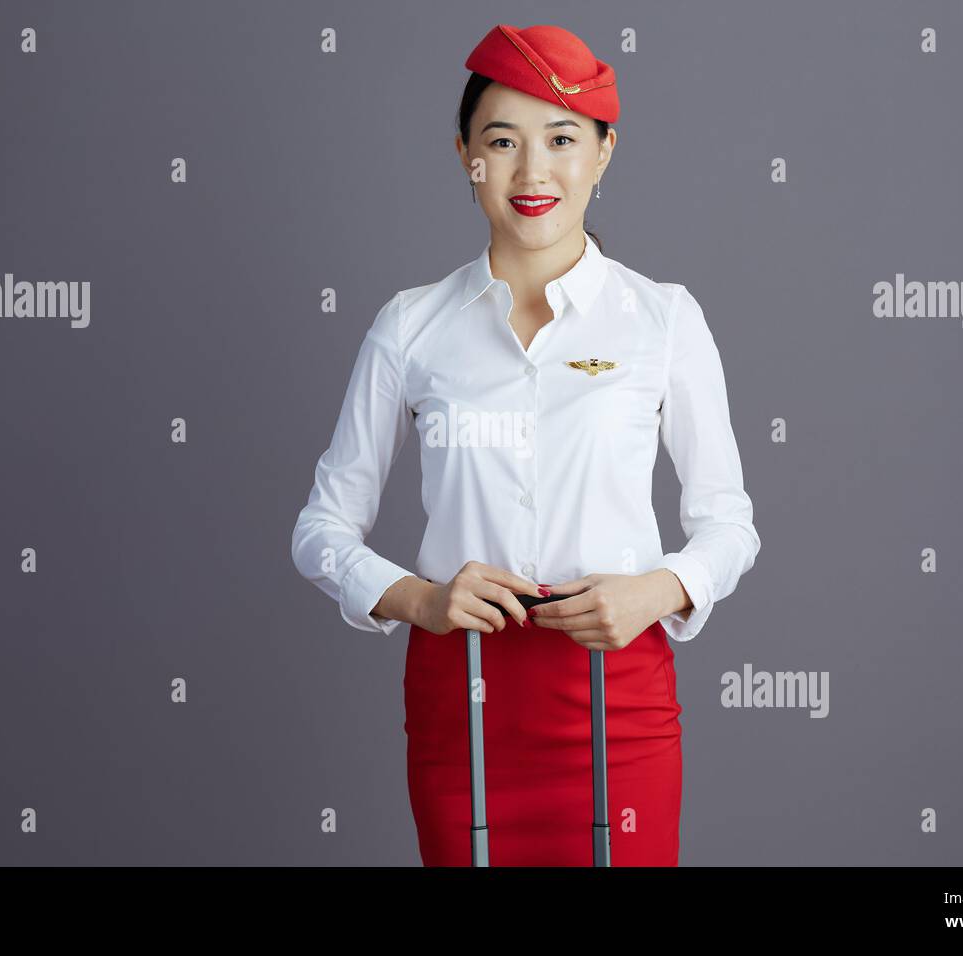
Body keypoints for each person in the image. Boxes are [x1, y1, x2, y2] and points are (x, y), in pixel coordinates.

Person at [291, 23, 761, 866]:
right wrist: (422, 602)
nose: (532, 171)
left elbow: (729, 523)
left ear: (605, 153)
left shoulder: (663, 320)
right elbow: (320, 532)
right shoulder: (412, 326)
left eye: (563, 139)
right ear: (465, 153)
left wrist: (655, 591)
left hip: (618, 696)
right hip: (462, 696)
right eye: (502, 141)